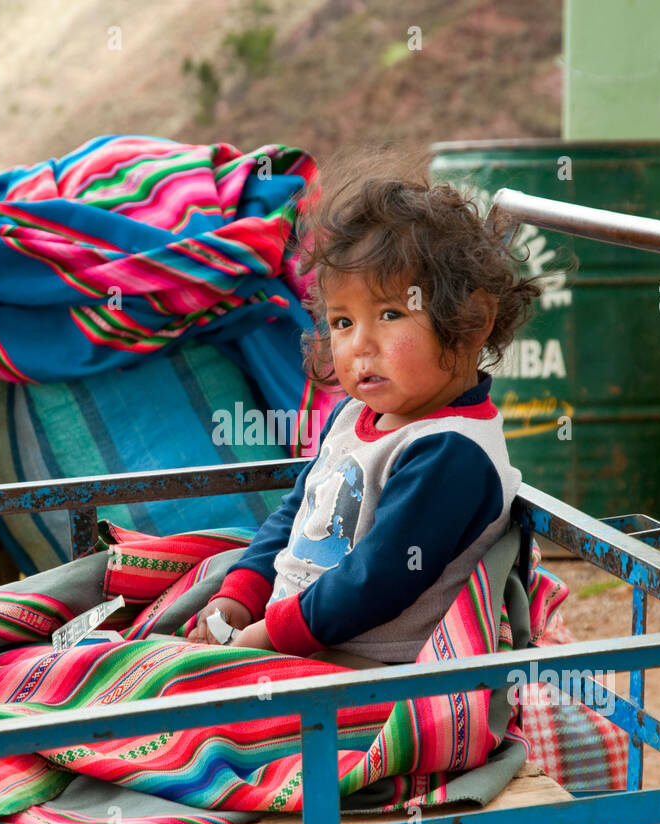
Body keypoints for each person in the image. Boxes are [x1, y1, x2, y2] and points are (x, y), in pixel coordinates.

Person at [187, 156, 543, 664]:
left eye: (391, 314)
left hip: (364, 667)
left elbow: (377, 578)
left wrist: (269, 636)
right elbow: (298, 513)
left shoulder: (451, 452)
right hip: (292, 638)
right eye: (342, 322)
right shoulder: (355, 415)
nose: (358, 345)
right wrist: (241, 593)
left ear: (473, 319)